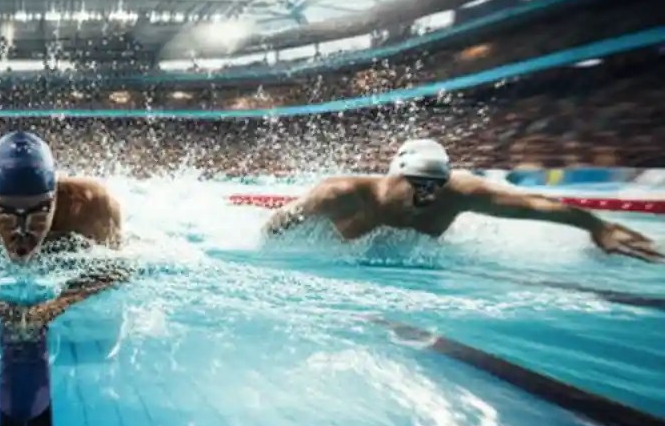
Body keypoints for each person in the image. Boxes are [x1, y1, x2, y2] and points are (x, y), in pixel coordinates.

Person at [264, 139, 662, 262]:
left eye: (435, 184)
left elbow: (538, 206)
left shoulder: (458, 193)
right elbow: (277, 224)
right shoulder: (341, 195)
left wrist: (598, 226)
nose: (428, 194)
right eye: (418, 183)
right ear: (394, 176)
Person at [0, 131, 130, 332]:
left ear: (56, 199)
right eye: (4, 212)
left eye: (39, 211)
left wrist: (57, 305)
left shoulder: (91, 206)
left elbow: (117, 269)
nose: (21, 228)